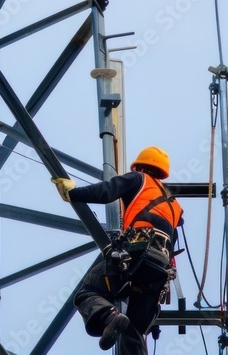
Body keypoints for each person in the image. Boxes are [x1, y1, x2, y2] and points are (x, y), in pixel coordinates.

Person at [51, 146, 183, 354]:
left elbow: (106, 192)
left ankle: (110, 316)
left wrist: (73, 193)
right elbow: (172, 244)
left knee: (88, 293)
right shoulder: (174, 205)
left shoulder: (139, 179)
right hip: (159, 270)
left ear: (140, 166)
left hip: (137, 254)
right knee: (135, 330)